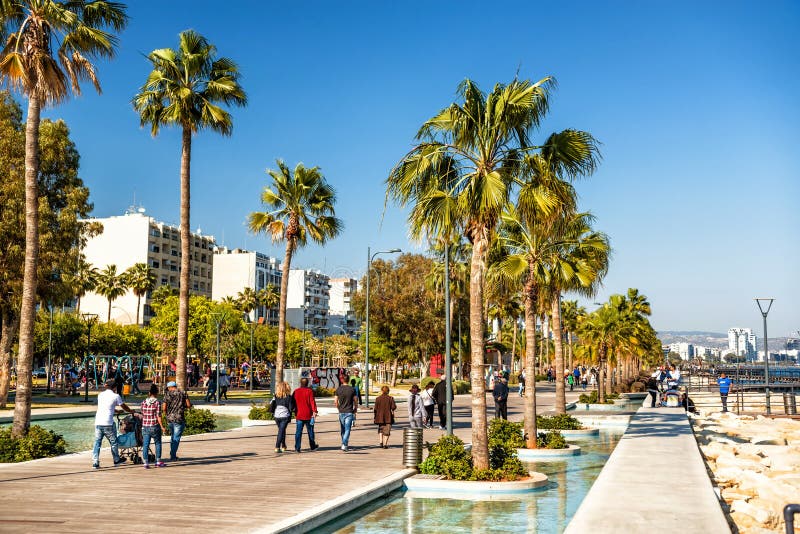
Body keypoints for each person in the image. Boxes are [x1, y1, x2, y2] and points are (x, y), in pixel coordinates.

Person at [92, 379, 135, 469]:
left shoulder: (100, 395)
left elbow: (105, 407)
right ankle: (116, 459)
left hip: (98, 422)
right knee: (113, 442)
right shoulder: (116, 396)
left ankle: (95, 462)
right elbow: (124, 406)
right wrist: (131, 411)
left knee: (97, 443)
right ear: (114, 387)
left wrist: (115, 411)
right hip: (108, 423)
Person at [162, 381, 191, 461]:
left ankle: (173, 454)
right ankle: (173, 455)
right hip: (179, 418)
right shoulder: (183, 393)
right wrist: (182, 406)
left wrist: (166, 414)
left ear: (169, 387)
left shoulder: (167, 394)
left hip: (170, 419)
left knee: (173, 437)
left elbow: (164, 408)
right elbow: (188, 405)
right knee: (176, 437)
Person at [141, 384, 166, 468]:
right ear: (156, 393)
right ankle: (158, 461)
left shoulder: (143, 402)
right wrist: (162, 427)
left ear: (149, 393)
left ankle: (146, 462)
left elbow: (143, 414)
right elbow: (159, 416)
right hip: (154, 426)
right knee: (158, 443)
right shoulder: (157, 403)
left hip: (145, 426)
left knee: (145, 444)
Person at [292, 378, 319, 452]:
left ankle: (297, 448)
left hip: (299, 415)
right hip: (308, 415)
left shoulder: (296, 391)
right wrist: (315, 411)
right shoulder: (309, 391)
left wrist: (294, 411)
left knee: (298, 432)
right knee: (310, 431)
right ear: (307, 383)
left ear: (300, 383)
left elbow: (292, 403)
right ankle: (312, 446)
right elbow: (312, 402)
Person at [269, 381, 295, 453]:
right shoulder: (289, 397)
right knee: (281, 431)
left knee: (282, 430)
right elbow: (291, 408)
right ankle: (277, 447)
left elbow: (272, 405)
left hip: (276, 417)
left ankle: (283, 445)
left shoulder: (276, 396)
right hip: (285, 416)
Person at [335, 376, 358, 452]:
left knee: (343, 429)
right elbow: (355, 400)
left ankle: (344, 444)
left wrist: (338, 408)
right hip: (349, 411)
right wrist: (356, 408)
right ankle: (344, 444)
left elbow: (335, 401)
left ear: (342, 380)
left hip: (341, 412)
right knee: (348, 429)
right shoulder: (352, 389)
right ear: (348, 380)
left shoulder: (338, 389)